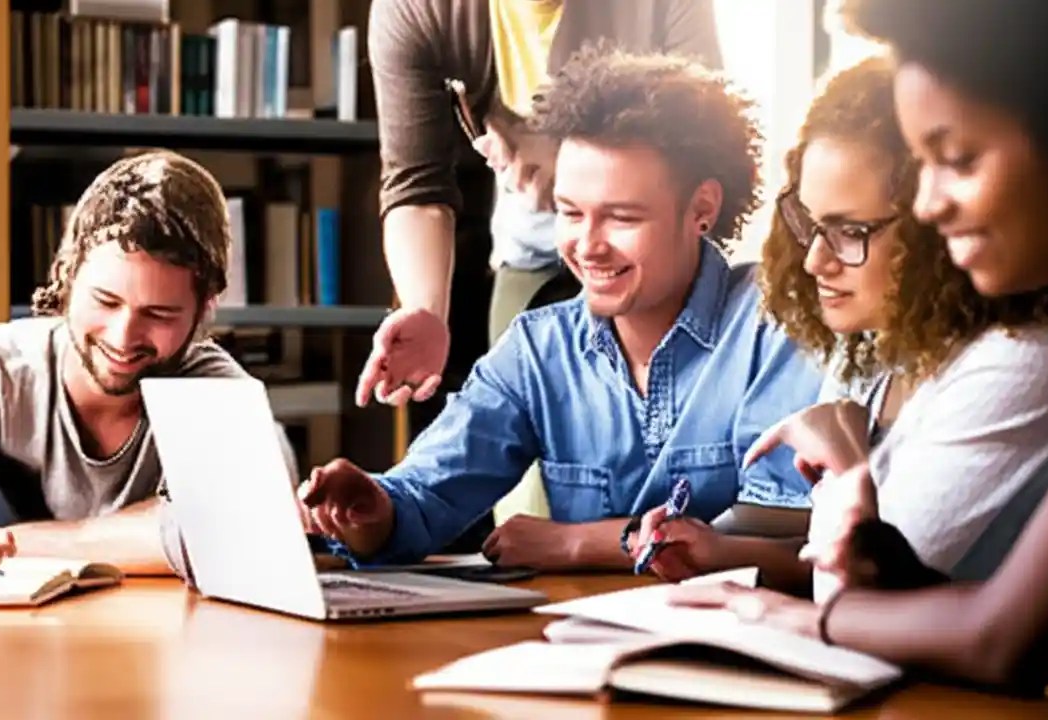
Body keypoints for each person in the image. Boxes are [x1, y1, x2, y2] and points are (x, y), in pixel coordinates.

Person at [668, 0, 1048, 697]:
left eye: (957, 160)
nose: (929, 205)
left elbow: (1005, 640)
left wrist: (796, 618)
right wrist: (879, 561)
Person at [294, 45, 824, 571]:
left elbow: (783, 542)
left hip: (745, 645)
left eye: (621, 218)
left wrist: (582, 543)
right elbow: (423, 499)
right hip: (585, 642)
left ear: (701, 209)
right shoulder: (537, 349)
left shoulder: (774, 322)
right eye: (570, 213)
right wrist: (369, 510)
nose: (586, 245)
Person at [626, 58, 1048, 597]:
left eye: (850, 230)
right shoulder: (875, 349)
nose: (814, 262)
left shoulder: (1017, 366)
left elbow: (855, 587)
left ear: (933, 226)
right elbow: (829, 562)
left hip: (951, 681)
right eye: (811, 225)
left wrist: (845, 466)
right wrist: (722, 552)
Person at [361, 0, 724, 524]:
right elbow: (415, 183)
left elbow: (711, 137)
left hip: (662, 263)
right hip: (529, 248)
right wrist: (425, 307)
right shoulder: (419, 9)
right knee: (526, 497)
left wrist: (577, 167)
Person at [0, 151, 290, 587]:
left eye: (159, 314)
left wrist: (12, 543)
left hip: (162, 647)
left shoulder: (216, 393)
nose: (123, 336)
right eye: (106, 301)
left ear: (203, 310)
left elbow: (256, 532)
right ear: (66, 274)